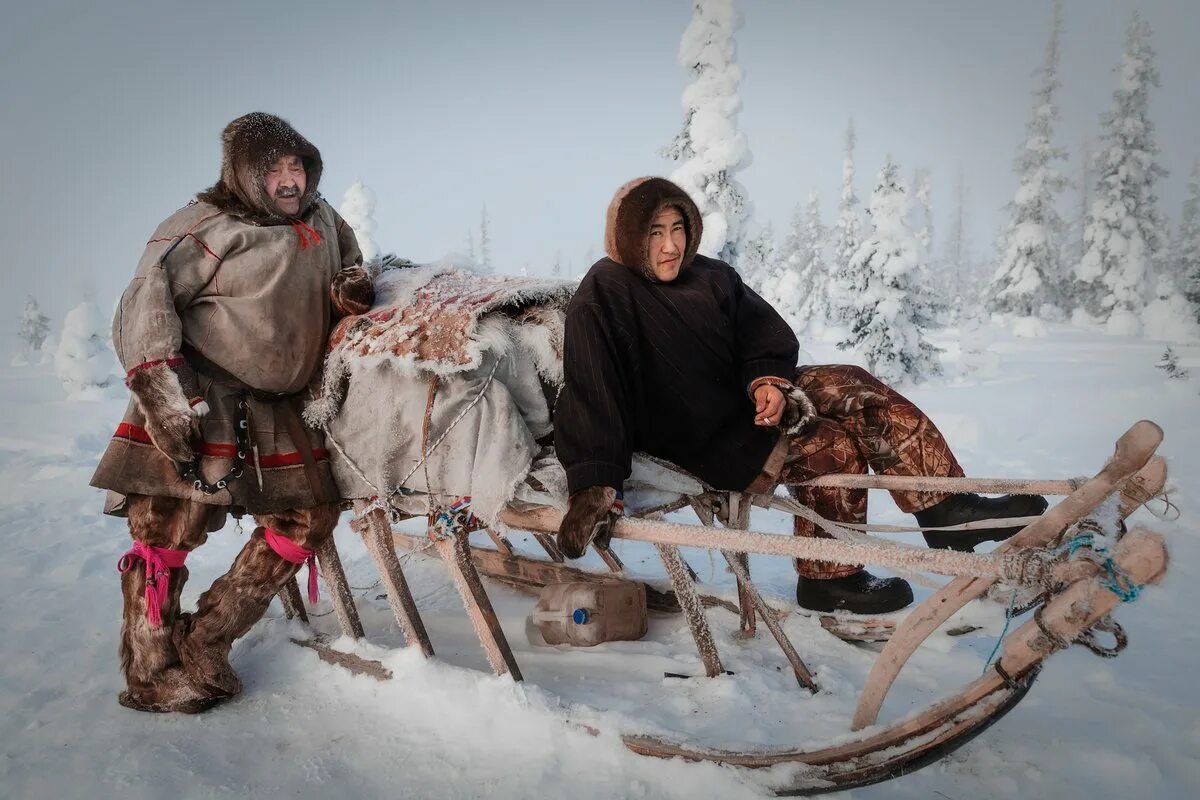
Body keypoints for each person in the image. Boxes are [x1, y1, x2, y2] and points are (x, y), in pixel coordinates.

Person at [553, 177, 1046, 615]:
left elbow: (762, 335)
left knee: (852, 385)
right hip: (695, 435)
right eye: (654, 232)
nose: (670, 245)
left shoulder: (711, 276)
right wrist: (595, 482)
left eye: (677, 228)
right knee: (831, 446)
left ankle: (943, 509)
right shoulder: (605, 291)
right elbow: (592, 389)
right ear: (629, 236)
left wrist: (767, 381)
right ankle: (831, 580)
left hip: (745, 403)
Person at [90, 112, 374, 712]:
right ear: (246, 174)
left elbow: (350, 261)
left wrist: (351, 286)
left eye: (298, 166)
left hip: (279, 408)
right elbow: (145, 300)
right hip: (204, 399)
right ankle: (150, 672)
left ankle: (208, 637)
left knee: (310, 516)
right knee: (168, 531)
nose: (291, 179)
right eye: (275, 169)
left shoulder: (323, 220)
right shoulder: (204, 226)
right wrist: (167, 402)